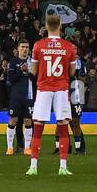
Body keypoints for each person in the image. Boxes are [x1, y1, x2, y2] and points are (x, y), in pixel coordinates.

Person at [27, 12, 76, 176]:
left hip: (44, 89)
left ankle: (33, 166)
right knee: (62, 127)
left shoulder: (38, 46)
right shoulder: (69, 47)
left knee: (38, 128)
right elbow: (72, 71)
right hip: (61, 89)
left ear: (47, 26)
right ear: (60, 26)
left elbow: (33, 71)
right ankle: (63, 166)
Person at [4, 40, 33, 155]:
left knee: (28, 120)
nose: (25, 49)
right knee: (13, 120)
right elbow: (11, 79)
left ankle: (27, 148)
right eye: (23, 47)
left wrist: (28, 71)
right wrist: (20, 70)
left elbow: (36, 80)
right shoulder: (13, 61)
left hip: (29, 95)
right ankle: (10, 147)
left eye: (27, 47)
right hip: (16, 95)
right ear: (18, 48)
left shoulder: (32, 62)